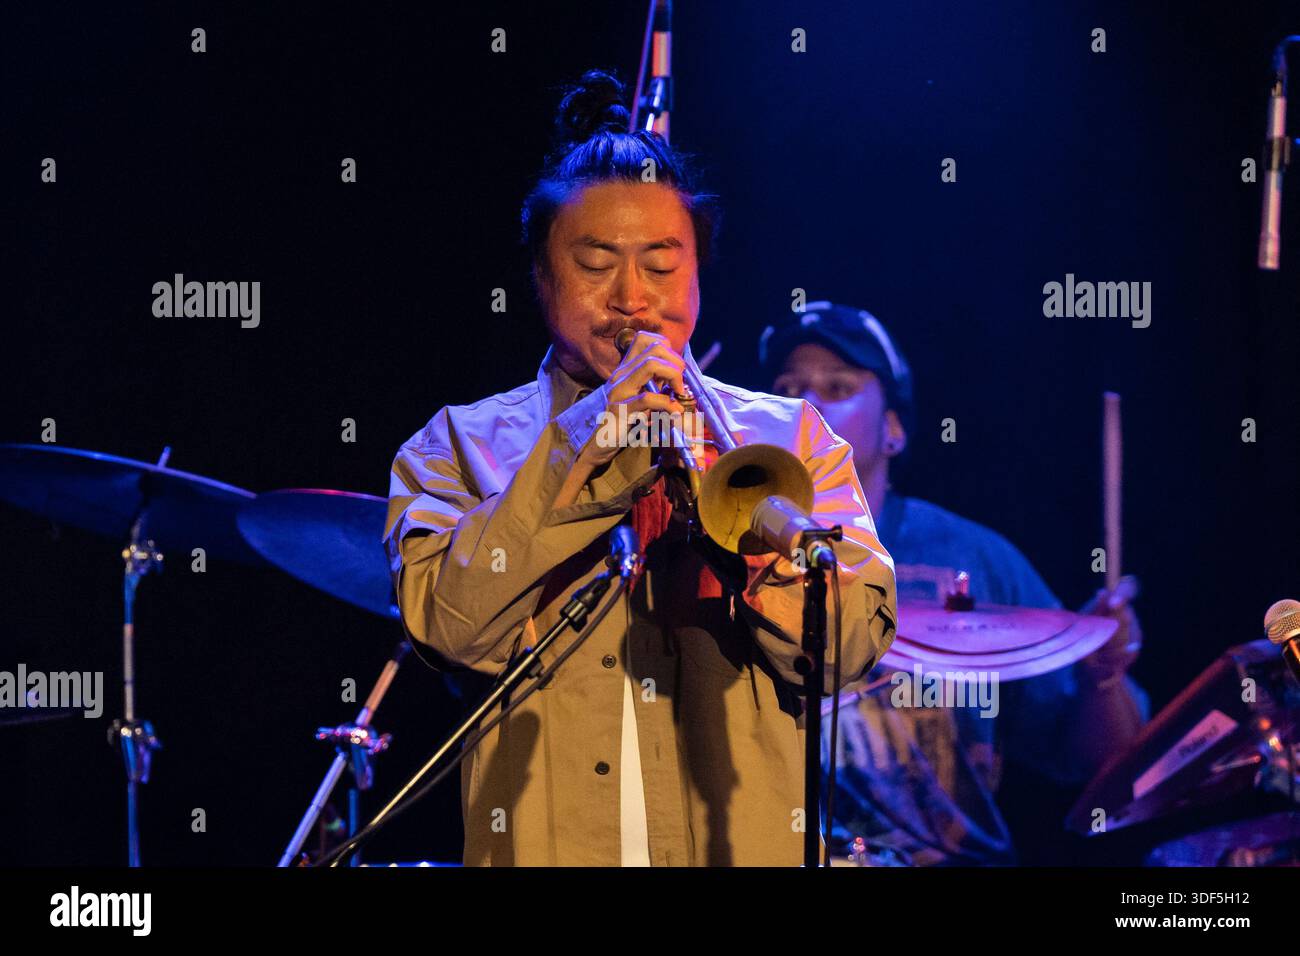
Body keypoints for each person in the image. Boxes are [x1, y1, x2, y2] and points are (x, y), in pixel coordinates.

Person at [384, 75, 897, 867]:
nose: (632, 299)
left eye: (661, 267)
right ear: (541, 277)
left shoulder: (790, 437)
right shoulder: (455, 444)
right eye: (596, 264)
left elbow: (851, 645)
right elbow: (448, 628)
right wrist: (585, 447)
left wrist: (741, 519)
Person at [759, 301, 1148, 865]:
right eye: (786, 391)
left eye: (838, 387)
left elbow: (1104, 764)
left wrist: (1103, 676)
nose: (806, 407)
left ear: (893, 430)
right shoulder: (731, 557)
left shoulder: (973, 557)